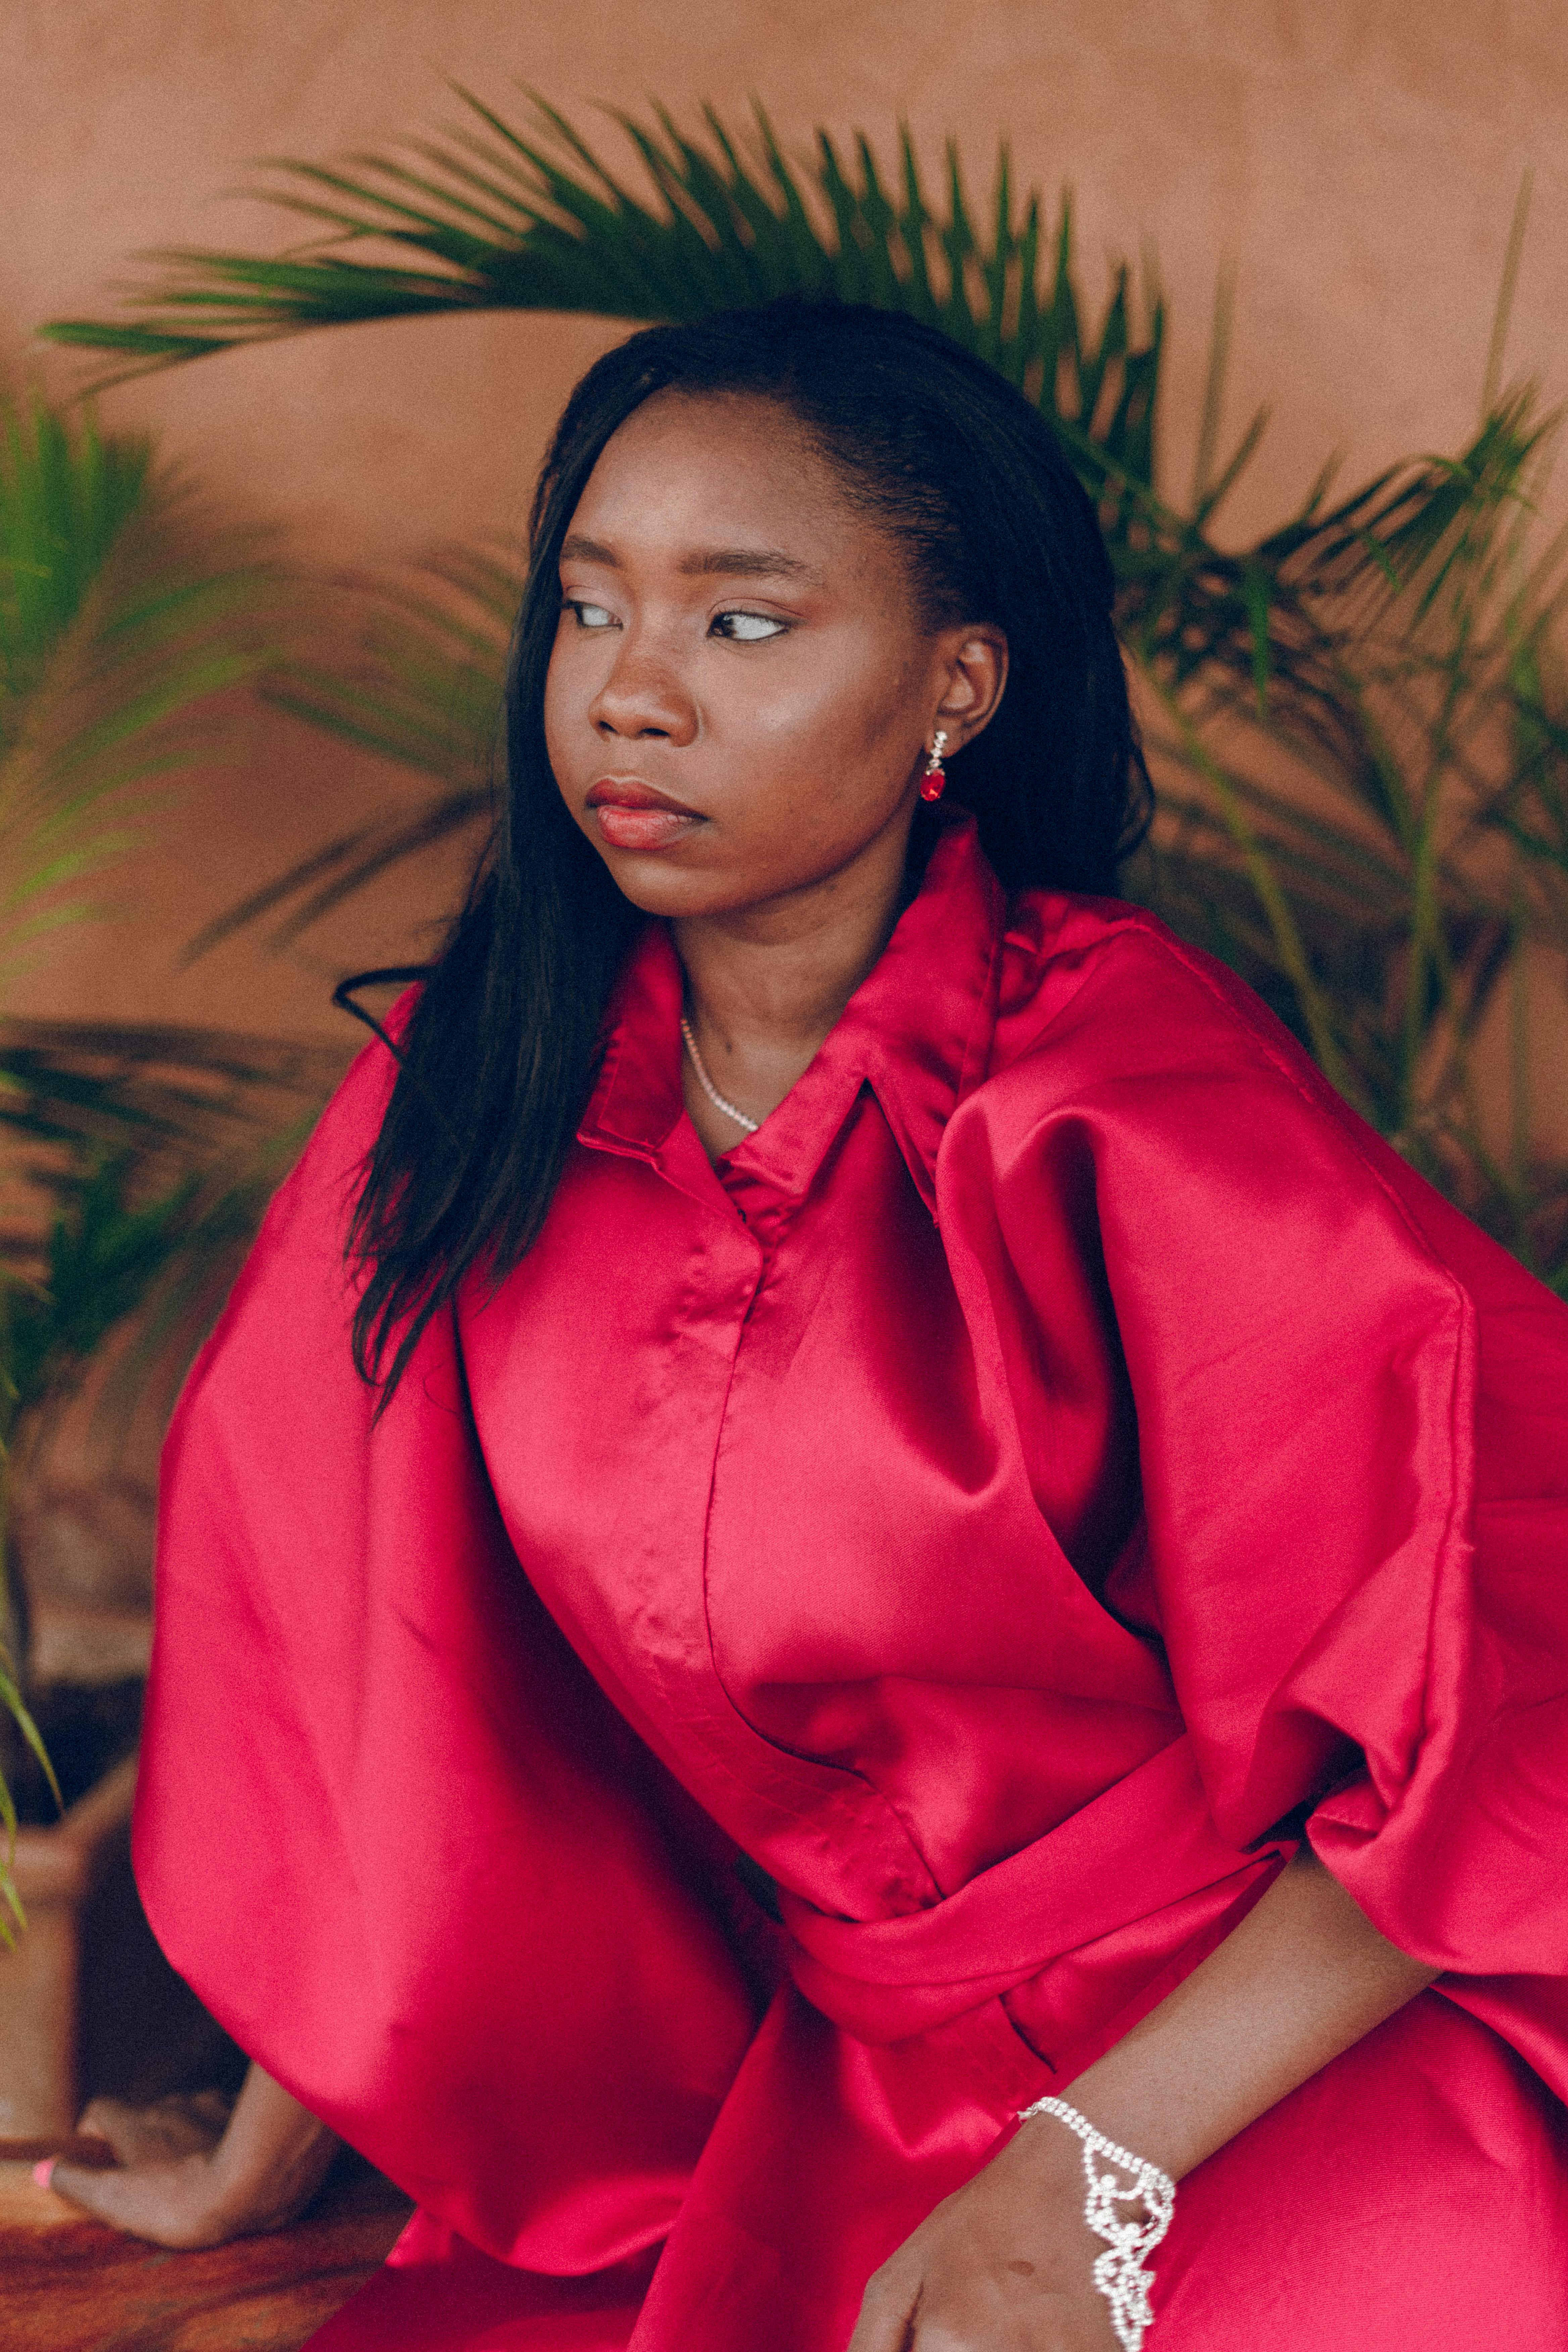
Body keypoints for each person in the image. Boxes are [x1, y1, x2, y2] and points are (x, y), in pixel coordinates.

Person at [47, 301, 1568, 2350]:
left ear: (956, 685)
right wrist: (268, 2152)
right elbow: (374, 1664)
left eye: (742, 624)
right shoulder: (472, 1100)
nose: (633, 696)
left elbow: (1491, 1702)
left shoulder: (1125, 1109)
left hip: (1251, 2068)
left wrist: (1091, 2167)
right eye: (591, 611)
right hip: (837, 2095)